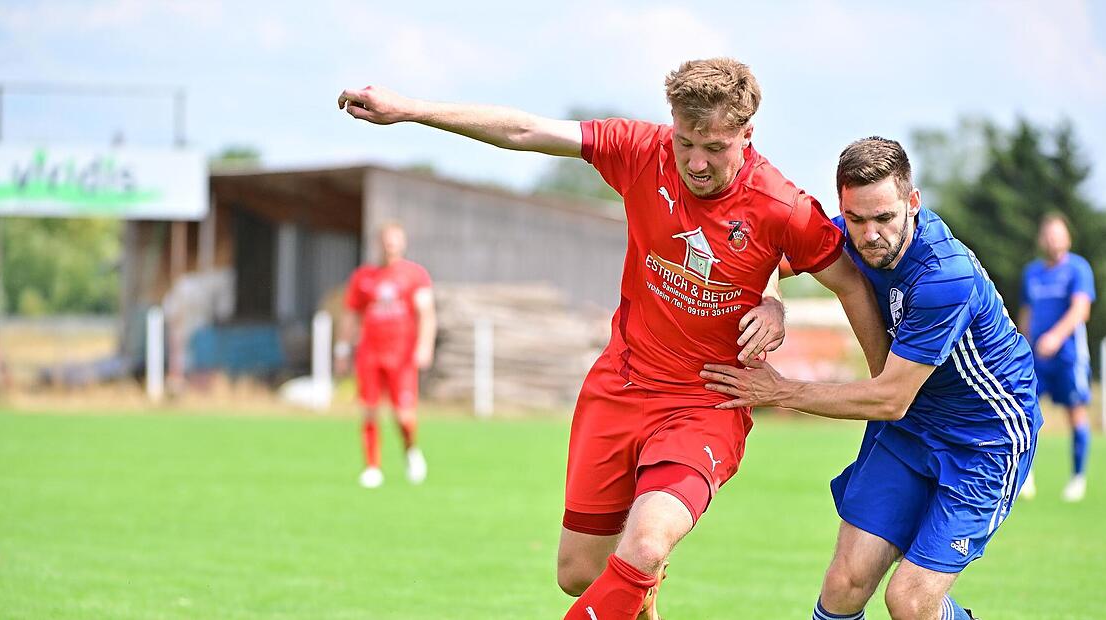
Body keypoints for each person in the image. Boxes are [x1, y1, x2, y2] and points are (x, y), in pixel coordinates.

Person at [339, 58, 888, 620]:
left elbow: (849, 279)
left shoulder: (783, 206)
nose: (696, 162)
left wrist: (882, 383)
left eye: (715, 148)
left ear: (748, 135)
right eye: (686, 142)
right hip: (621, 384)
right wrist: (409, 110)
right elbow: (526, 129)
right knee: (581, 574)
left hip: (707, 402)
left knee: (647, 545)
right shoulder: (640, 151)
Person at [702, 137, 1042, 620]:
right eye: (856, 219)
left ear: (913, 202)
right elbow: (767, 259)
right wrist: (773, 302)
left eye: (884, 218)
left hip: (982, 440)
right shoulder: (848, 232)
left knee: (908, 601)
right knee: (843, 584)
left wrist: (781, 391)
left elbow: (890, 399)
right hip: (911, 427)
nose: (869, 234)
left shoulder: (945, 277)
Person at [337, 222, 436, 488]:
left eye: (395, 240)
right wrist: (342, 349)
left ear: (402, 243)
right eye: (386, 240)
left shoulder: (414, 275)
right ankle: (372, 467)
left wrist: (425, 345)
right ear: (378, 243)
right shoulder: (364, 277)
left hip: (402, 355)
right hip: (370, 353)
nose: (390, 244)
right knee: (369, 410)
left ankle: (410, 449)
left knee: (403, 415)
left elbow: (426, 312)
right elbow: (350, 315)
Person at [1018, 213, 1096, 502]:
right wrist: (1022, 346)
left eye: (1058, 234)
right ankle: (1026, 476)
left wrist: (1055, 337)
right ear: (1041, 239)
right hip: (1037, 357)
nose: (1053, 240)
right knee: (1024, 412)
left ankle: (1077, 478)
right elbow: (1026, 313)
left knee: (1075, 413)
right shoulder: (1032, 273)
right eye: (1048, 234)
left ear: (1068, 237)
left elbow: (1080, 310)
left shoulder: (1078, 268)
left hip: (1069, 357)